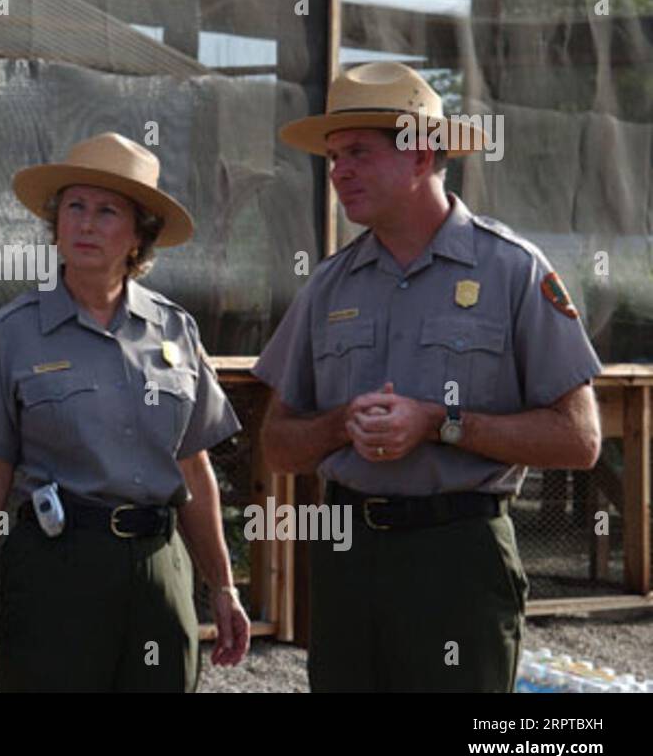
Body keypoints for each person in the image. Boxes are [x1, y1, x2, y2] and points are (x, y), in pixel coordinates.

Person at [254, 61, 602, 692]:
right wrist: (339, 424)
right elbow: (277, 446)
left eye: (358, 152)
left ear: (420, 156)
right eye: (332, 157)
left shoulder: (513, 272)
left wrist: (438, 424)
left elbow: (578, 440)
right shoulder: (328, 285)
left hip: (459, 559)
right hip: (347, 554)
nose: (338, 173)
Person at [0, 132, 251, 692]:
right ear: (55, 227)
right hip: (58, 566)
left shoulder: (175, 329)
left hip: (159, 566)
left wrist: (223, 586)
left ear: (138, 237)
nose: (85, 223)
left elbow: (193, 465)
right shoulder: (12, 333)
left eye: (107, 211)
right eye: (74, 208)